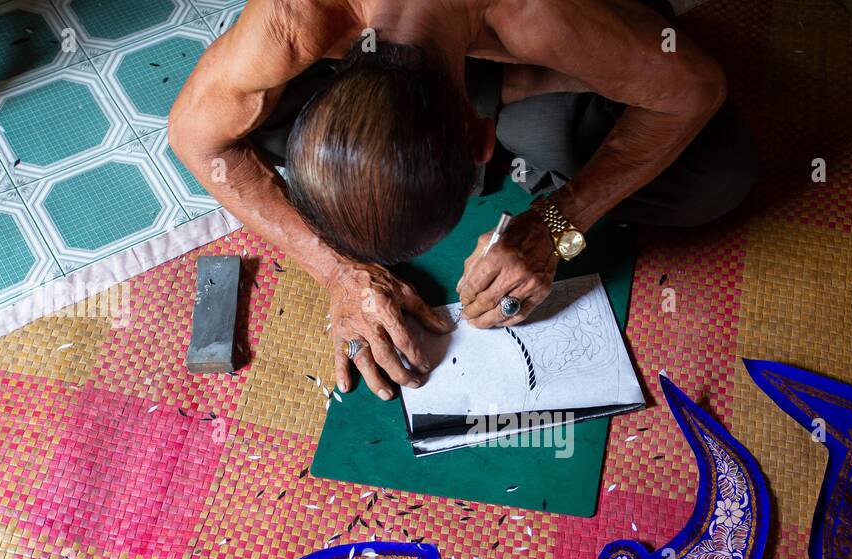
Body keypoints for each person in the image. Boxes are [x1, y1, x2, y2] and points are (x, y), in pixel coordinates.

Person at [169, 0, 756, 401]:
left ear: (480, 140)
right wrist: (338, 272)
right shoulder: (295, 19)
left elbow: (696, 88)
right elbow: (194, 136)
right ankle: (522, 91)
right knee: (265, 128)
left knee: (713, 177)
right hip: (479, 57)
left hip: (571, 29)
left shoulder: (539, 17)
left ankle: (530, 93)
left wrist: (553, 227)